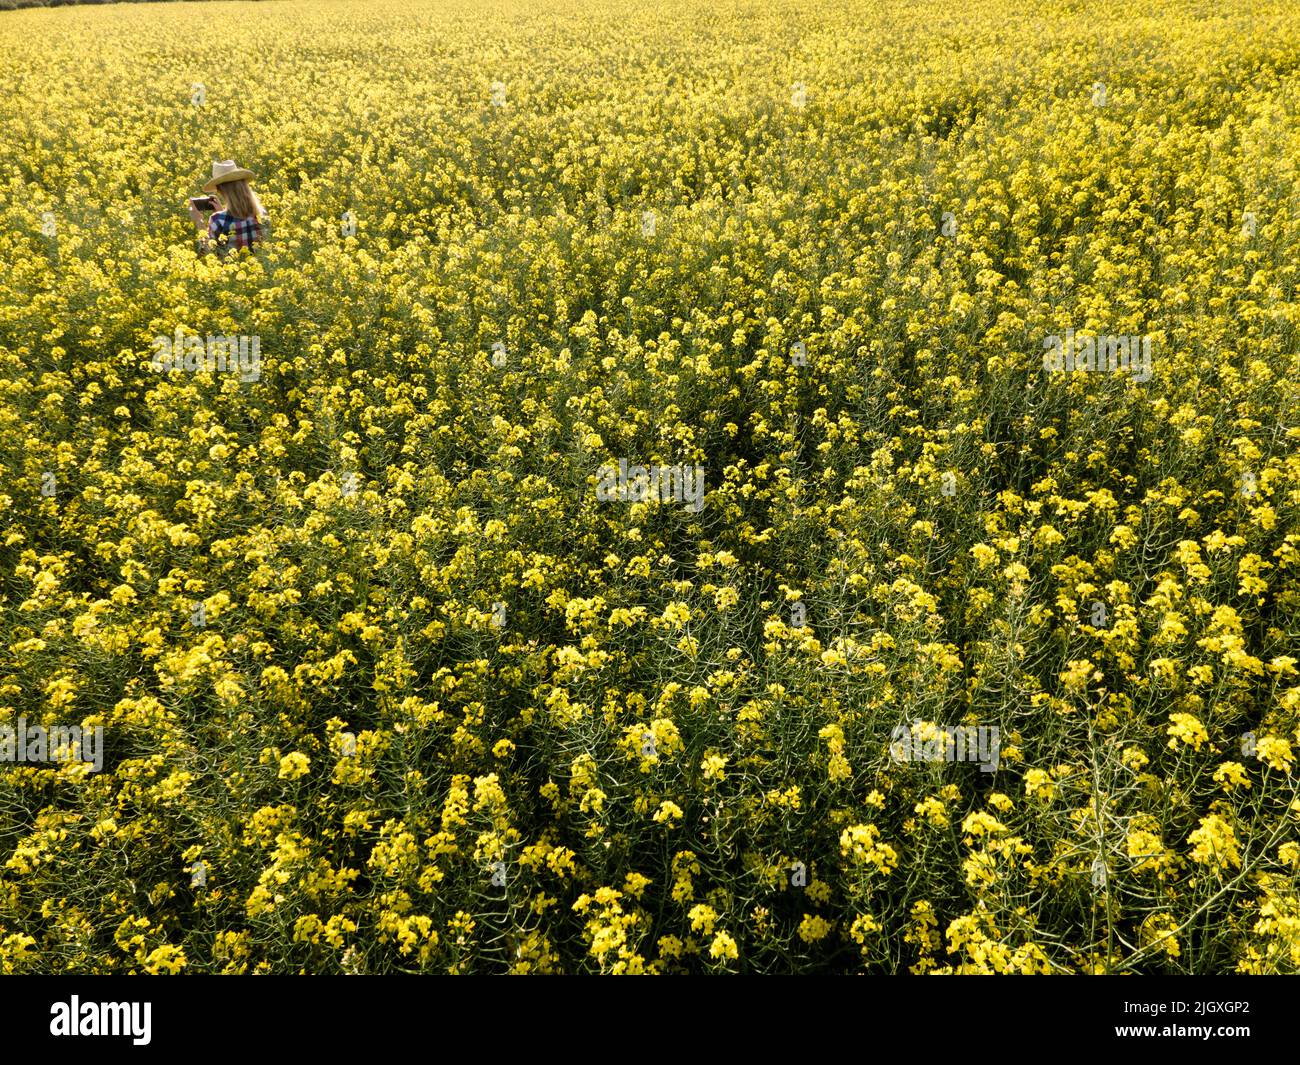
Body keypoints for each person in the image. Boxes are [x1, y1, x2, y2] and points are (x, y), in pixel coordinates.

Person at [187, 160, 267, 255]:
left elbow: (207, 252)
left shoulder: (218, 220)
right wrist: (222, 212)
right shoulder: (261, 215)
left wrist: (199, 222)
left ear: (220, 190)